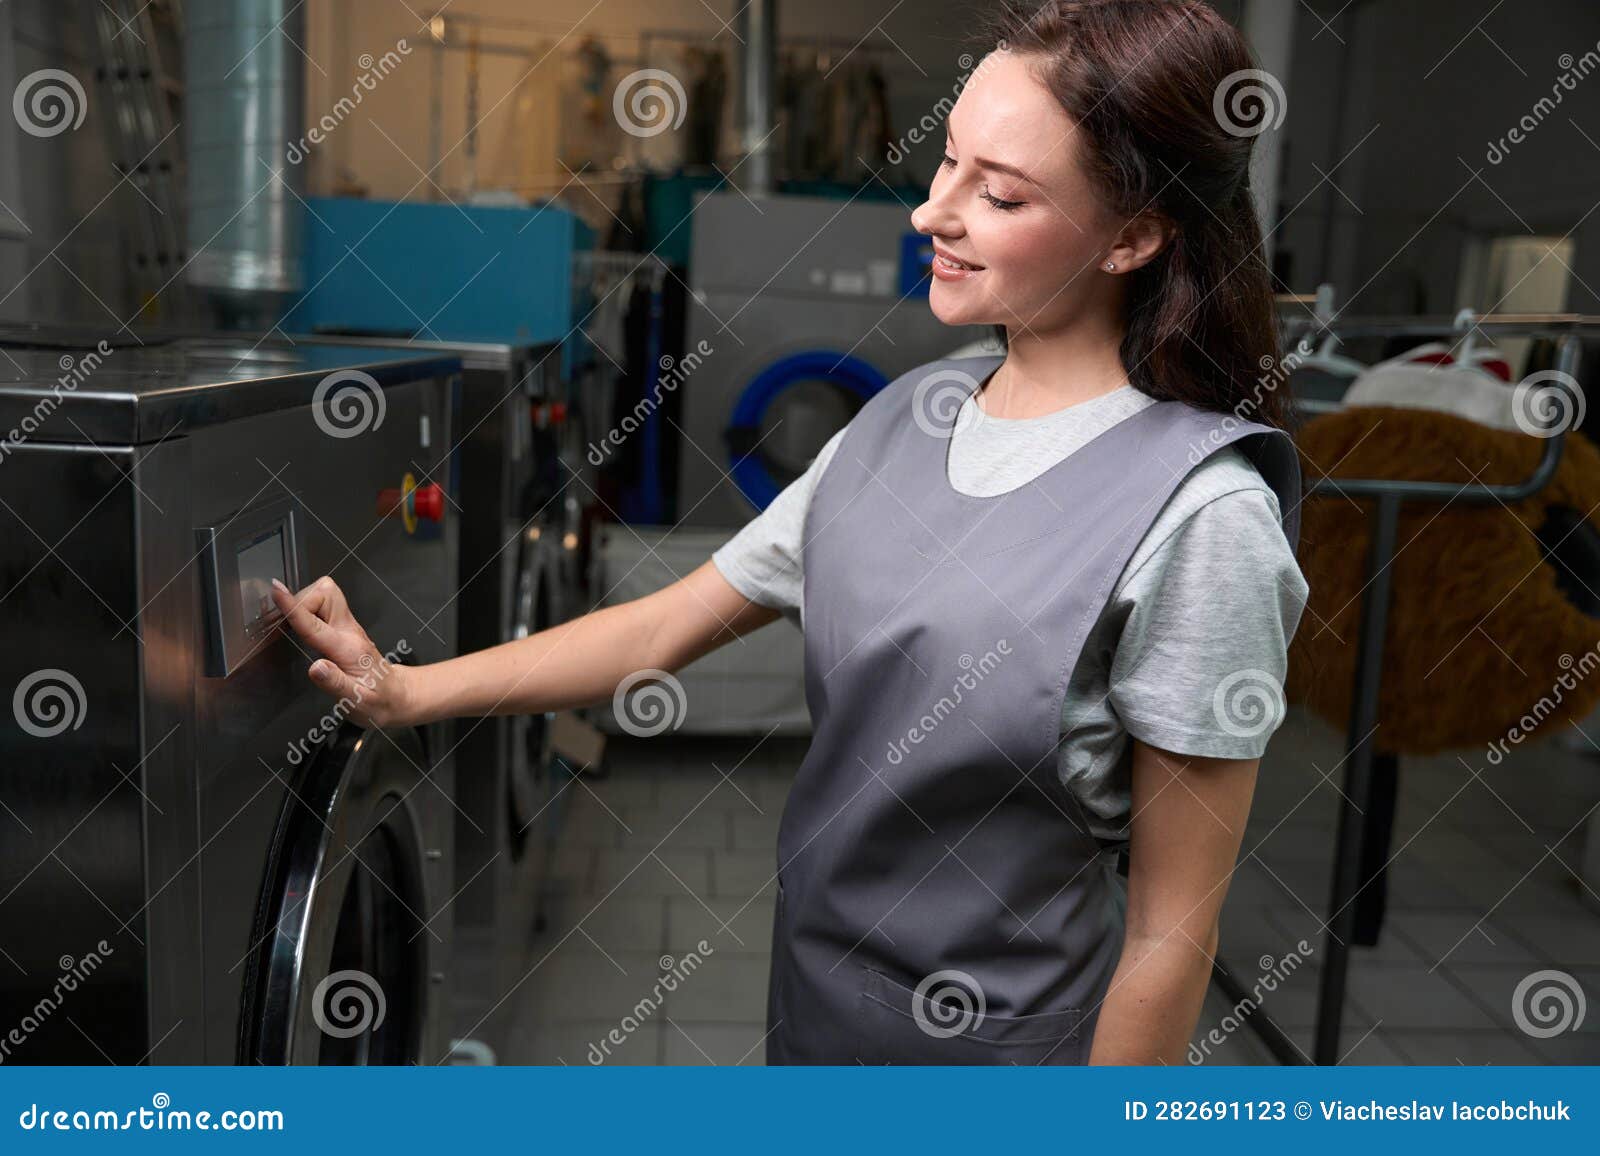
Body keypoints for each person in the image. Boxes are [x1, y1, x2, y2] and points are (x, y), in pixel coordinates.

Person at [272, 0, 1308, 1065]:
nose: (930, 214)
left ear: (1134, 236)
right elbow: (660, 627)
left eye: (997, 193)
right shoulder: (909, 418)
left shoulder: (1201, 514)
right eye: (946, 164)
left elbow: (1171, 934)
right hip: (813, 1014)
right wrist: (406, 690)